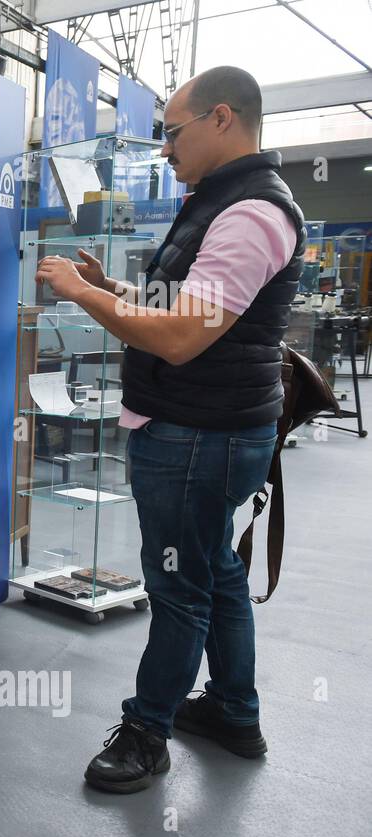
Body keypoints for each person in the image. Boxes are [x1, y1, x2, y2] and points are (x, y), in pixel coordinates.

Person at [35, 66, 305, 794]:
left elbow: (183, 337)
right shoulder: (219, 203)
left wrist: (84, 293)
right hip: (206, 430)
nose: (165, 148)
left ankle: (147, 732)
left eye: (173, 131)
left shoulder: (249, 212)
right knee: (215, 570)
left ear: (222, 119)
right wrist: (116, 287)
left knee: (180, 583)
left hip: (199, 435)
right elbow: (192, 303)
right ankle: (232, 710)